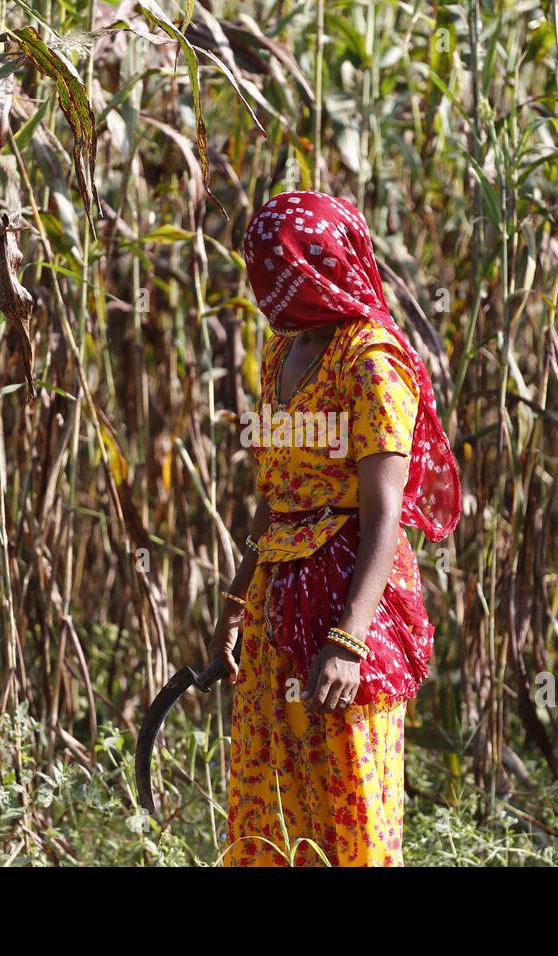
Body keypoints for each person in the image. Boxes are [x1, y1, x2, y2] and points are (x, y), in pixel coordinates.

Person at [211, 191, 461, 866]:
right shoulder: (282, 354)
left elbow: (385, 512)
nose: (264, 286)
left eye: (274, 268)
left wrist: (348, 641)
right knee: (276, 789)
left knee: (347, 787)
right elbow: (276, 493)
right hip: (277, 597)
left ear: (310, 267)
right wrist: (238, 598)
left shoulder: (372, 363)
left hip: (347, 602)